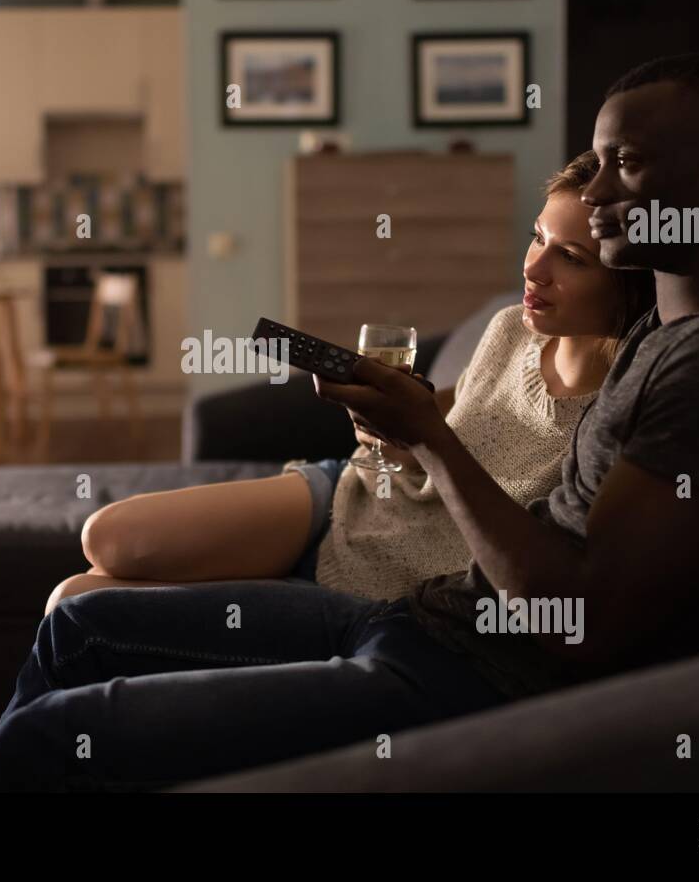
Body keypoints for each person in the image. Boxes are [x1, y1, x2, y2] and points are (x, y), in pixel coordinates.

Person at [0, 53, 699, 792]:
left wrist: (433, 436)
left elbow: (578, 620)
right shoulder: (662, 329)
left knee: (57, 735)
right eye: (596, 163)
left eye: (626, 165)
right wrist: (420, 427)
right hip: (421, 623)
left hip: (467, 679)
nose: (595, 189)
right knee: (78, 627)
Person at [44, 151, 652, 613]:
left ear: (627, 279)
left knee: (77, 599)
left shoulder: (615, 415)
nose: (534, 269)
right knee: (107, 537)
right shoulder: (508, 329)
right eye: (537, 238)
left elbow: (523, 553)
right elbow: (445, 437)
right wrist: (393, 432)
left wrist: (422, 441)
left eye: (570, 258)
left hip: (395, 580)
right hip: (353, 495)